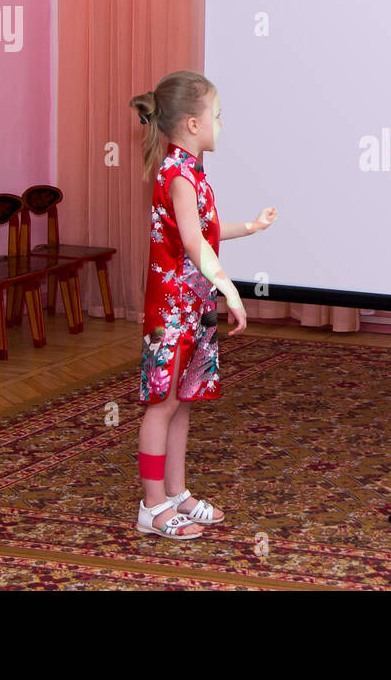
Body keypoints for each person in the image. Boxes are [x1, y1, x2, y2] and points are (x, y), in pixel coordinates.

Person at [127, 71, 276, 539]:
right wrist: (230, 289)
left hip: (194, 307)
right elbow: (193, 243)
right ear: (193, 123)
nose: (221, 123)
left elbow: (205, 231)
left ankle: (175, 492)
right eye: (217, 114)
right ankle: (151, 506)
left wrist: (249, 227)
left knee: (184, 402)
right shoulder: (176, 175)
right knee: (162, 404)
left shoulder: (193, 173)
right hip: (171, 312)